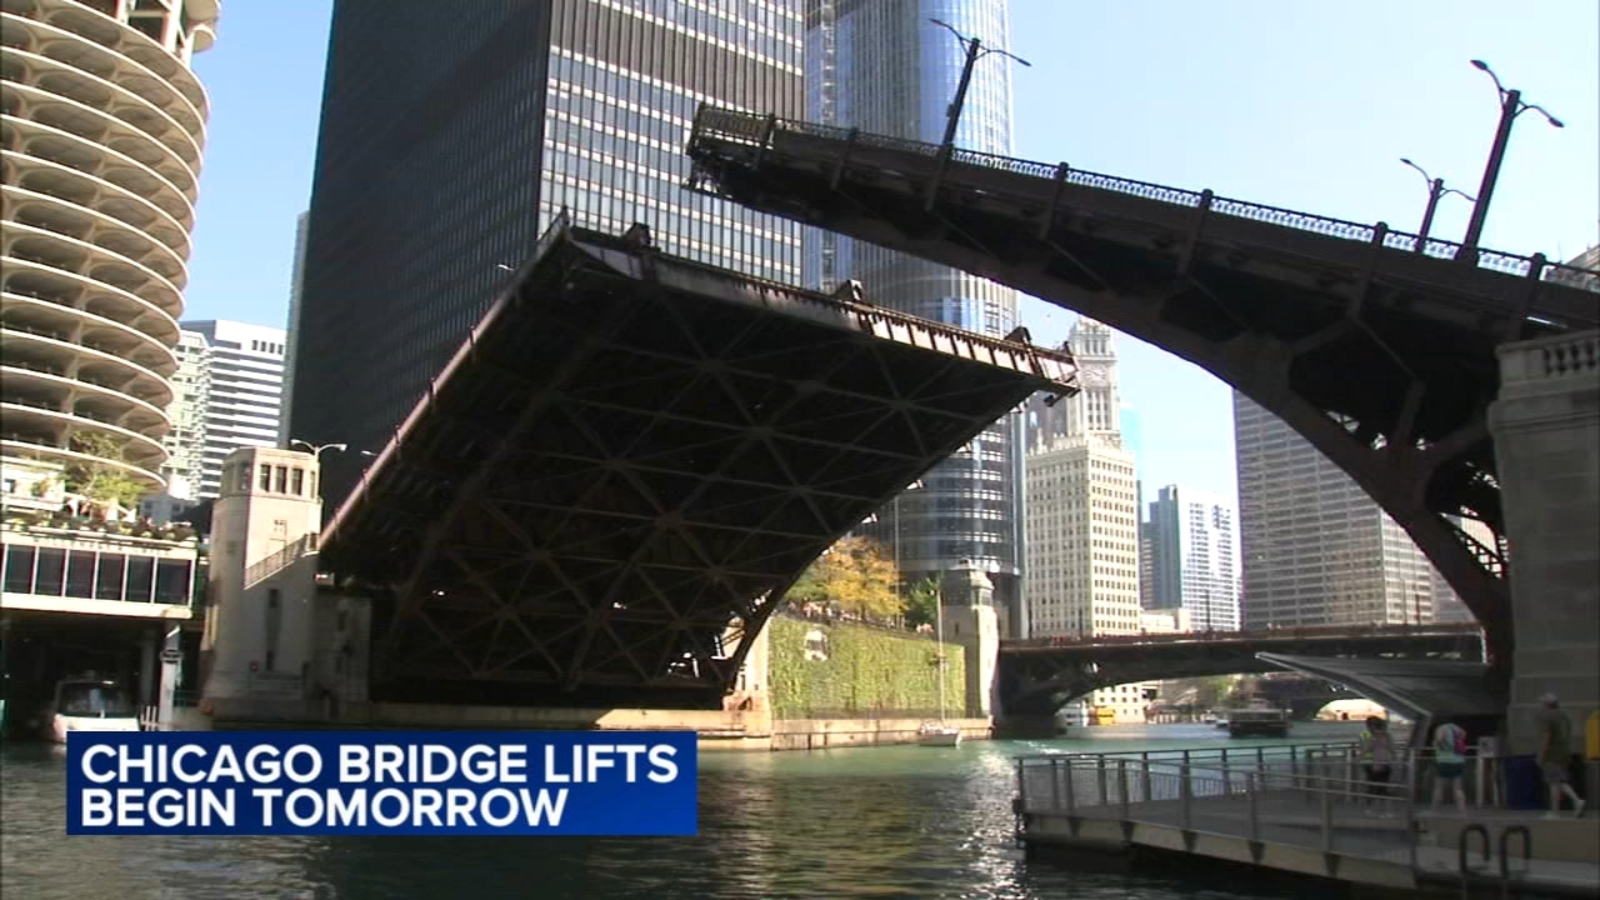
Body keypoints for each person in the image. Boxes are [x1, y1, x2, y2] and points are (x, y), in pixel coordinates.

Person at [1537, 693, 1586, 819]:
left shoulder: (1547, 717)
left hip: (1552, 753)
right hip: (1565, 752)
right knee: (1558, 781)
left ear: (1547, 705)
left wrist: (1541, 755)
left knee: (1554, 781)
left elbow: (1546, 737)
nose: (1541, 705)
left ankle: (1570, 803)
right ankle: (1558, 809)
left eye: (1543, 703)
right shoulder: (1564, 716)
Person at [1431, 718, 1470, 814]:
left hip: (1444, 761)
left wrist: (1437, 745)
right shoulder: (1456, 728)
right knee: (1458, 788)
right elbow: (1463, 737)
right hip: (1459, 761)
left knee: (1439, 787)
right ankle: (1462, 811)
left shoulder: (1441, 728)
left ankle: (1434, 810)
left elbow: (1439, 740)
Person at [1359, 716, 1395, 808]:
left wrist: (1358, 759)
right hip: (1385, 763)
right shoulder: (1387, 736)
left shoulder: (1372, 736)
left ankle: (1373, 807)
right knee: (1382, 786)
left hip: (1374, 763)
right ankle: (1384, 807)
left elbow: (1366, 748)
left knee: (1374, 786)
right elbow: (1392, 749)